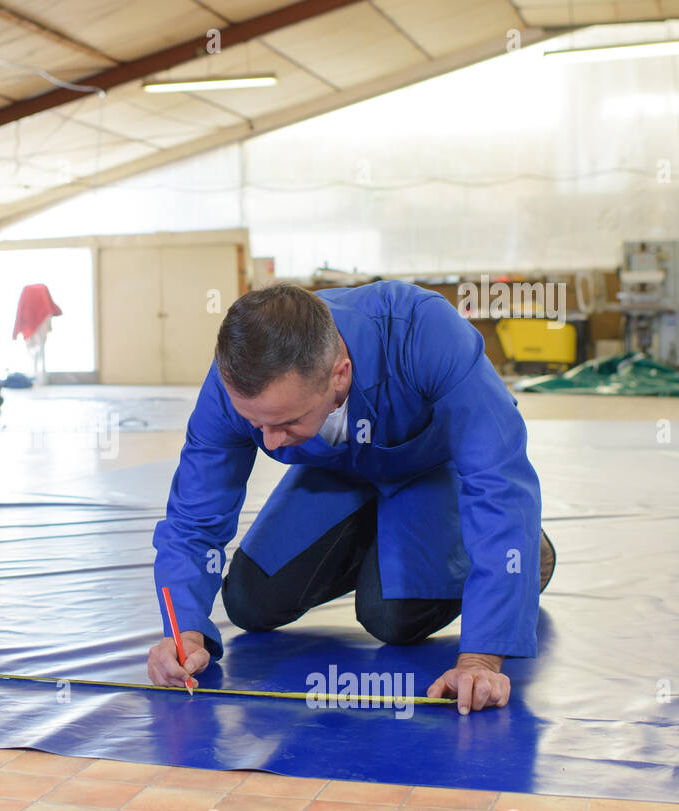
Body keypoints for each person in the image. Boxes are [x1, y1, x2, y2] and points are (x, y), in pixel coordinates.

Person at [148, 281, 555, 714]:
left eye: (286, 422)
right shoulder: (233, 382)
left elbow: (498, 483)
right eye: (255, 424)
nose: (269, 441)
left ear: (339, 374)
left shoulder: (426, 333)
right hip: (338, 474)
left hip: (426, 471)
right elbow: (194, 517)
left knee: (392, 617)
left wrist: (481, 657)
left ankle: (535, 555)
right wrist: (184, 632)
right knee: (250, 603)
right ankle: (382, 538)